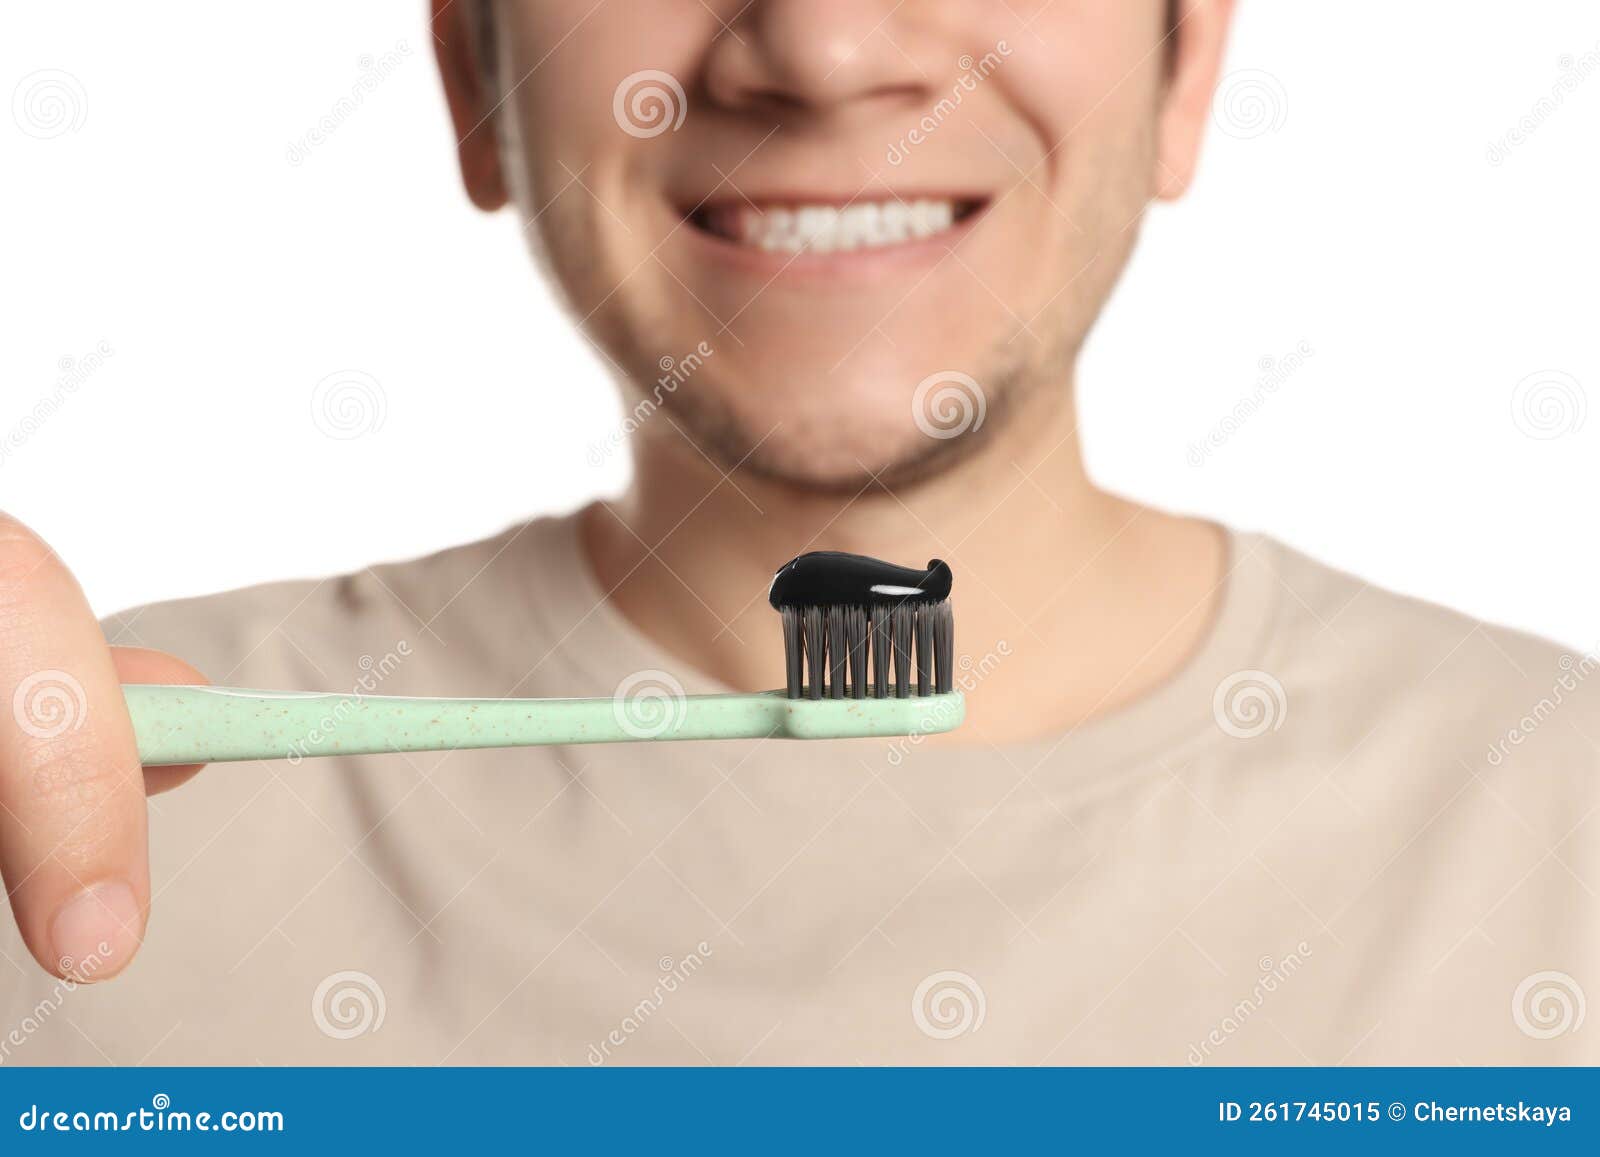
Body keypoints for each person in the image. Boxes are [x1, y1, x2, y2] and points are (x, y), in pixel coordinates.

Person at [2, 0, 1593, 1065]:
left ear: (1190, 59)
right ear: (464, 69)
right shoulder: (76, 828)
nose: (825, 49)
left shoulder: (1558, 833)